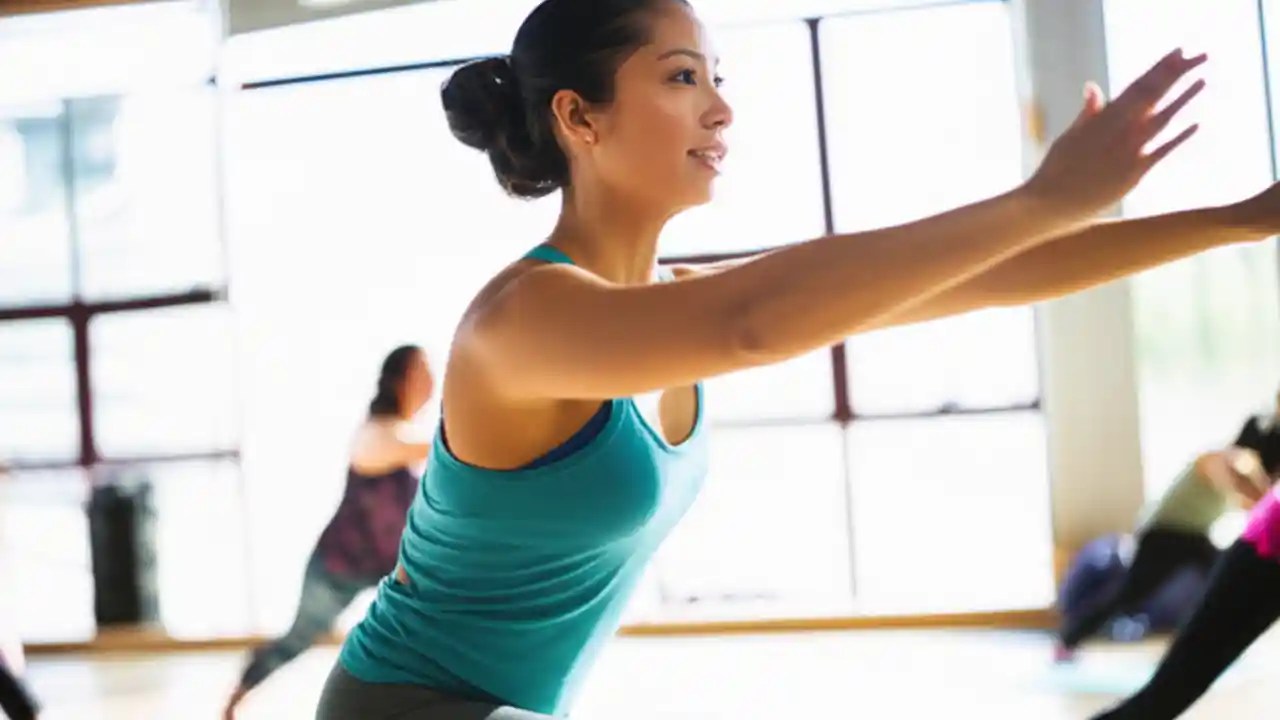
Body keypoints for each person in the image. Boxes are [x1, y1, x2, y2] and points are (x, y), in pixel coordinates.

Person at [315, 1, 1280, 717]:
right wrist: (1042, 195)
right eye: (683, 77)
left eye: (717, 77)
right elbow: (755, 322)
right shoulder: (523, 320)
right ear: (579, 118)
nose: (722, 109)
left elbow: (990, 277)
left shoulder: (671, 299)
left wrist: (1239, 221)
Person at [223, 345, 434, 719]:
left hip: (390, 567)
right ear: (400, 380)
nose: (432, 381)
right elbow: (420, 447)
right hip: (339, 565)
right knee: (299, 639)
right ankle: (236, 696)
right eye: (423, 371)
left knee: (426, 628)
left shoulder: (403, 436)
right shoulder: (375, 434)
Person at [1055, 406, 1280, 660]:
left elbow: (1253, 503)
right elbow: (1246, 489)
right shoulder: (1222, 459)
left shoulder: (1247, 470)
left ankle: (1213, 644)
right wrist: (1264, 491)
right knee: (1130, 594)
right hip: (1164, 534)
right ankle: (1068, 638)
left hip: (1194, 535)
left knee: (1224, 581)